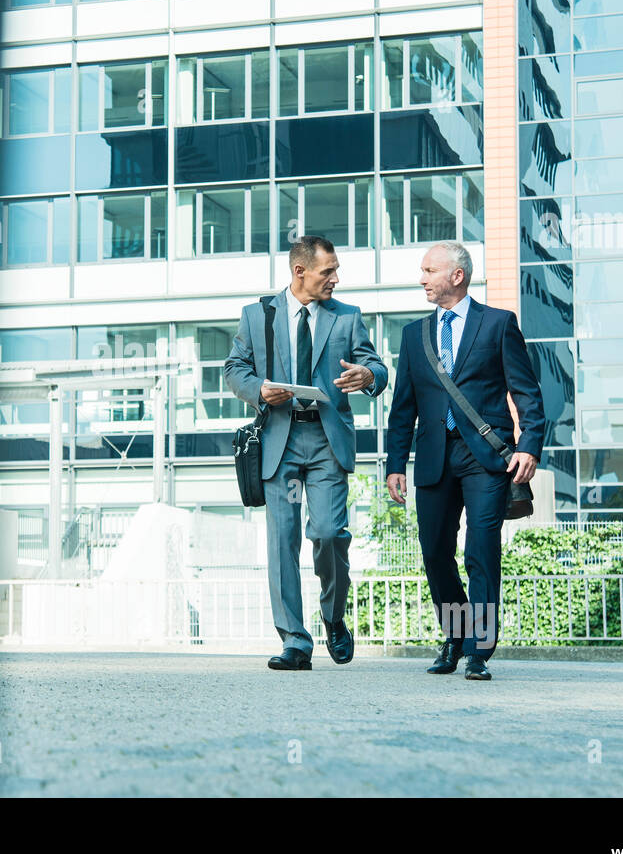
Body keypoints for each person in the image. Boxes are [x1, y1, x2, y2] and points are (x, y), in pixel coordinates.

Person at [224, 236, 387, 671]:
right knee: (282, 541)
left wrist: (368, 374)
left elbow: (377, 366)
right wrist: (259, 389)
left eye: (336, 270)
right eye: (327, 271)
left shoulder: (347, 317)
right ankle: (295, 640)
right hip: (279, 438)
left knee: (330, 533)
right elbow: (234, 368)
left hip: (325, 440)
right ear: (300, 272)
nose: (335, 278)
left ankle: (334, 617)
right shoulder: (257, 315)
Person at [384, 241, 544, 681]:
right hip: (434, 458)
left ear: (457, 275)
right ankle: (454, 635)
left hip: (486, 460)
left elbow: (527, 392)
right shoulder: (413, 335)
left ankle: (478, 649)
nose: (422, 278)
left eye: (429, 270)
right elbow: (404, 406)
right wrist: (395, 463)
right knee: (435, 552)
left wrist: (529, 443)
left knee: (480, 552)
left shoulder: (498, 324)